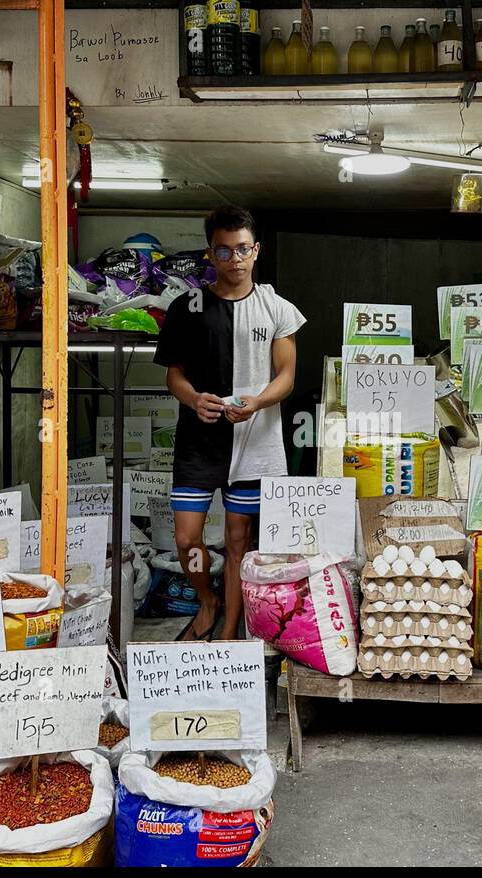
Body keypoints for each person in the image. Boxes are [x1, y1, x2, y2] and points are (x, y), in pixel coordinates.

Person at [153, 205, 305, 641]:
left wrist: (257, 402)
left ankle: (229, 629)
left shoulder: (277, 308)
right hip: (199, 444)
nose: (235, 260)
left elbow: (287, 378)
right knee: (187, 541)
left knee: (239, 543)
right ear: (210, 254)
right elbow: (174, 375)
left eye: (242, 250)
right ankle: (207, 598)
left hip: (255, 443)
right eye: (224, 251)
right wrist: (193, 398)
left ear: (256, 251)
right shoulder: (188, 307)